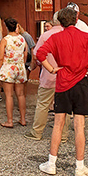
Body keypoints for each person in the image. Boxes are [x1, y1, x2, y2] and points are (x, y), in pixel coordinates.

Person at [36, 6, 88, 176]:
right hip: (81, 82)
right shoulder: (86, 36)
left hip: (62, 83)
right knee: (79, 126)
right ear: (76, 19)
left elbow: (40, 54)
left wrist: (52, 69)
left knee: (59, 124)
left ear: (60, 21)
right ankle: (79, 166)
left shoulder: (56, 37)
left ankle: (51, 163)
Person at [24, 11, 70, 142]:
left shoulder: (46, 35)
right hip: (65, 76)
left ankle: (37, 132)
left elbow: (37, 54)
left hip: (49, 74)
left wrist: (38, 65)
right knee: (64, 106)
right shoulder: (68, 34)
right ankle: (63, 135)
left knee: (43, 104)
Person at [0, 18, 28, 127]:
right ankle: (23, 119)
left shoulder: (5, 40)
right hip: (20, 67)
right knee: (21, 94)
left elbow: (0, 57)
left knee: (9, 96)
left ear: (6, 27)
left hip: (8, 68)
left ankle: (10, 121)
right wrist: (21, 64)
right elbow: (25, 53)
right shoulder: (22, 39)